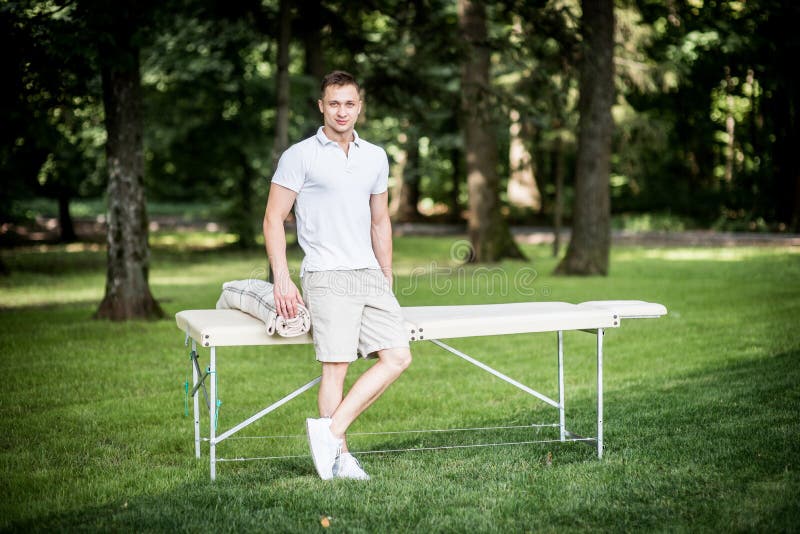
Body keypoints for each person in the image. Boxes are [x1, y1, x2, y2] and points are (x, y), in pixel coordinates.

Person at [263, 70, 412, 481]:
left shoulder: (375, 156)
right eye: (334, 103)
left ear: (359, 107)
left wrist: (386, 275)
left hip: (368, 273)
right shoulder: (300, 155)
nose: (341, 111)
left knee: (398, 356)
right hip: (326, 275)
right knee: (337, 368)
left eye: (349, 103)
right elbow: (274, 218)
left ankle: (329, 432)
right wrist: (282, 277)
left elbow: (380, 222)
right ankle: (337, 460)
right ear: (321, 106)